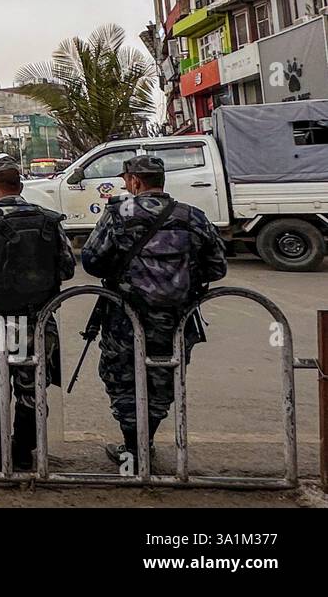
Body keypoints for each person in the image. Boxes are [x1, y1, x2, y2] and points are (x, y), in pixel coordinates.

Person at [81, 155, 226, 469]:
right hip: (175, 318)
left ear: (134, 181)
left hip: (125, 317)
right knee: (162, 379)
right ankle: (147, 442)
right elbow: (217, 267)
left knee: (123, 379)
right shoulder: (192, 215)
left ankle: (133, 448)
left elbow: (92, 261)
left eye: (125, 180)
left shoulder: (120, 213)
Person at [0, 156, 75, 469]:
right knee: (32, 389)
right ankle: (23, 452)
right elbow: (68, 268)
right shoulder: (49, 221)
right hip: (38, 321)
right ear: (19, 186)